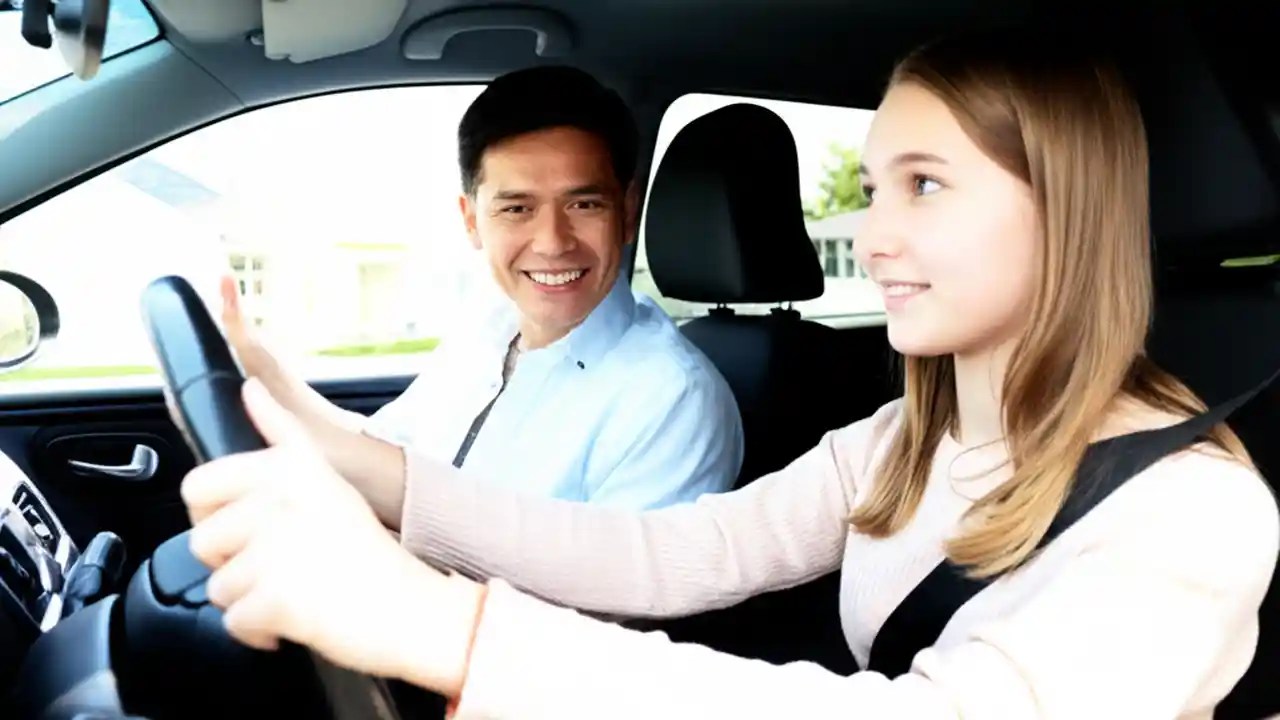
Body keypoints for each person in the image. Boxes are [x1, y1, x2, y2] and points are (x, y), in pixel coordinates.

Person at [181, 28, 1279, 719]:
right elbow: (668, 556)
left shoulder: (1190, 512)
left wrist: (440, 629)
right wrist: (335, 445)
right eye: (873, 183)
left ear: (1065, 212)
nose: (868, 229)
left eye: (923, 186)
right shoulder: (901, 441)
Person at [223, 65, 743, 512]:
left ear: (627, 214)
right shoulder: (489, 330)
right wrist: (264, 375)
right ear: (472, 220)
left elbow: (602, 612)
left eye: (584, 205)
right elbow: (383, 453)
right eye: (517, 209)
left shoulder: (670, 399)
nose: (553, 242)